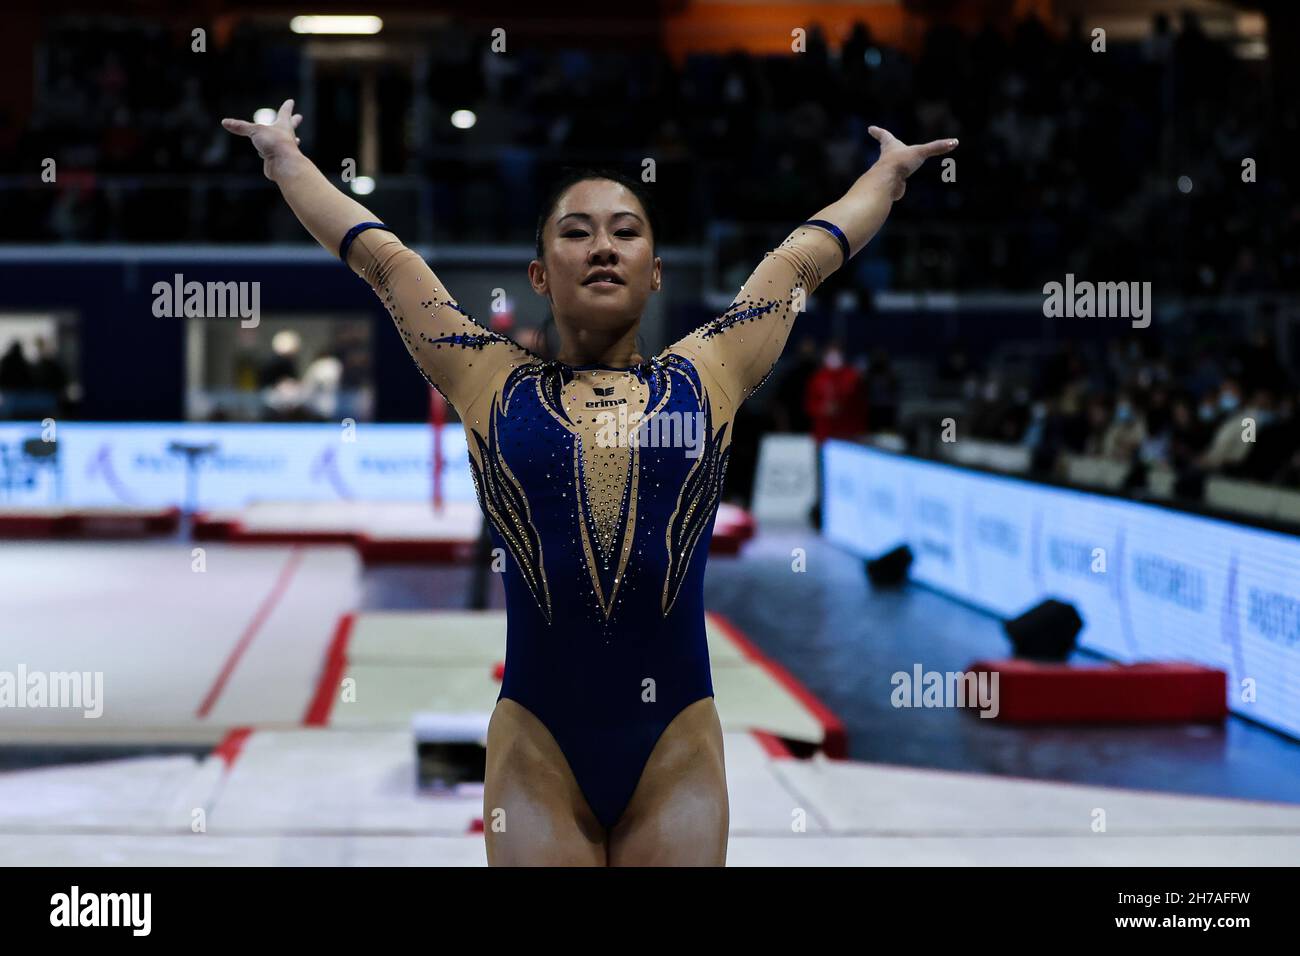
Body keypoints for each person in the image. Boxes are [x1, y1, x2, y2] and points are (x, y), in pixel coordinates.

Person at [223, 99, 955, 865]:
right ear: (540, 273)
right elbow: (384, 259)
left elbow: (806, 256)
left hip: (676, 746)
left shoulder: (711, 372)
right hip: (538, 749)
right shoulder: (485, 378)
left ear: (655, 270)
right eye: (576, 232)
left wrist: (886, 176)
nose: (603, 247)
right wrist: (286, 161)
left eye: (626, 231)